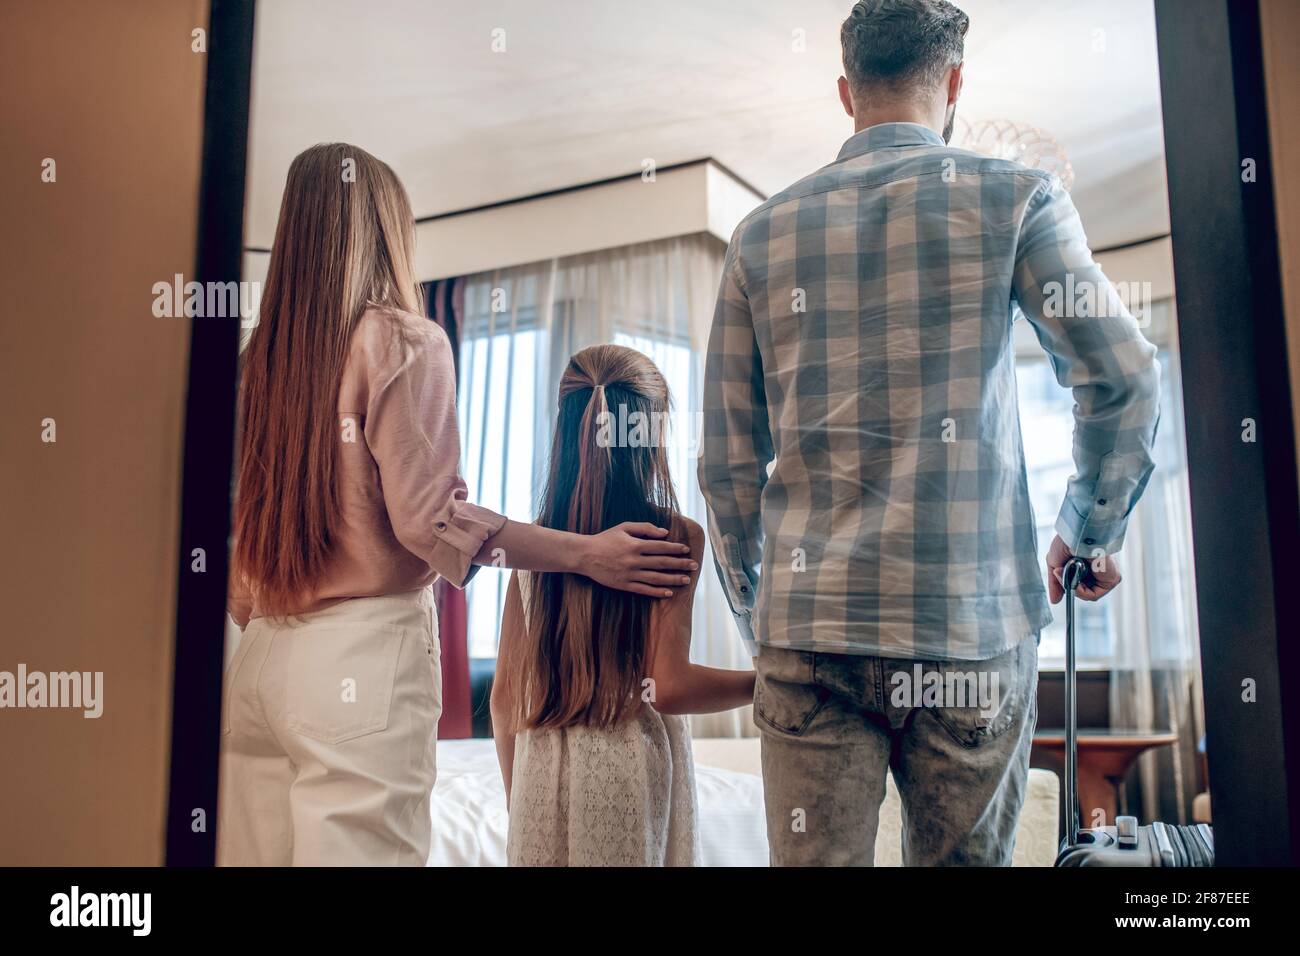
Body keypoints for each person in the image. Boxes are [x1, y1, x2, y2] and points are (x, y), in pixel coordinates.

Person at [698, 0, 1160, 866]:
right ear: (954, 84)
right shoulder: (1016, 198)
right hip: (970, 625)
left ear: (846, 92)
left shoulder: (758, 236)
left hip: (812, 639)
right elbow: (1124, 377)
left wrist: (767, 614)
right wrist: (1084, 533)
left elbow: (725, 463)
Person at [219, 144, 697, 866]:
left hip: (259, 660)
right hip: (358, 654)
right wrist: (585, 552)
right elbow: (430, 524)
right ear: (385, 228)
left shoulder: (258, 363)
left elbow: (232, 539)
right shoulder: (401, 340)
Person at [491, 344, 755, 866]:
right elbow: (670, 685)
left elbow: (504, 698)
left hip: (540, 769)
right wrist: (764, 685)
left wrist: (518, 797)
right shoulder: (673, 536)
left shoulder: (534, 543)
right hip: (627, 771)